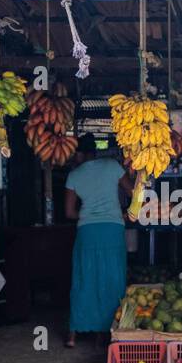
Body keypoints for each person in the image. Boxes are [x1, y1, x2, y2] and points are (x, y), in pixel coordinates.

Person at [63, 135, 129, 348]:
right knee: (112, 280)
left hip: (87, 232)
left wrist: (88, 213)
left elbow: (69, 212)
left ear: (80, 153)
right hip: (113, 229)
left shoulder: (74, 175)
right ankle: (106, 332)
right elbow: (133, 191)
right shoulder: (112, 166)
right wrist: (126, 213)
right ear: (95, 151)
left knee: (84, 279)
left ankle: (73, 336)